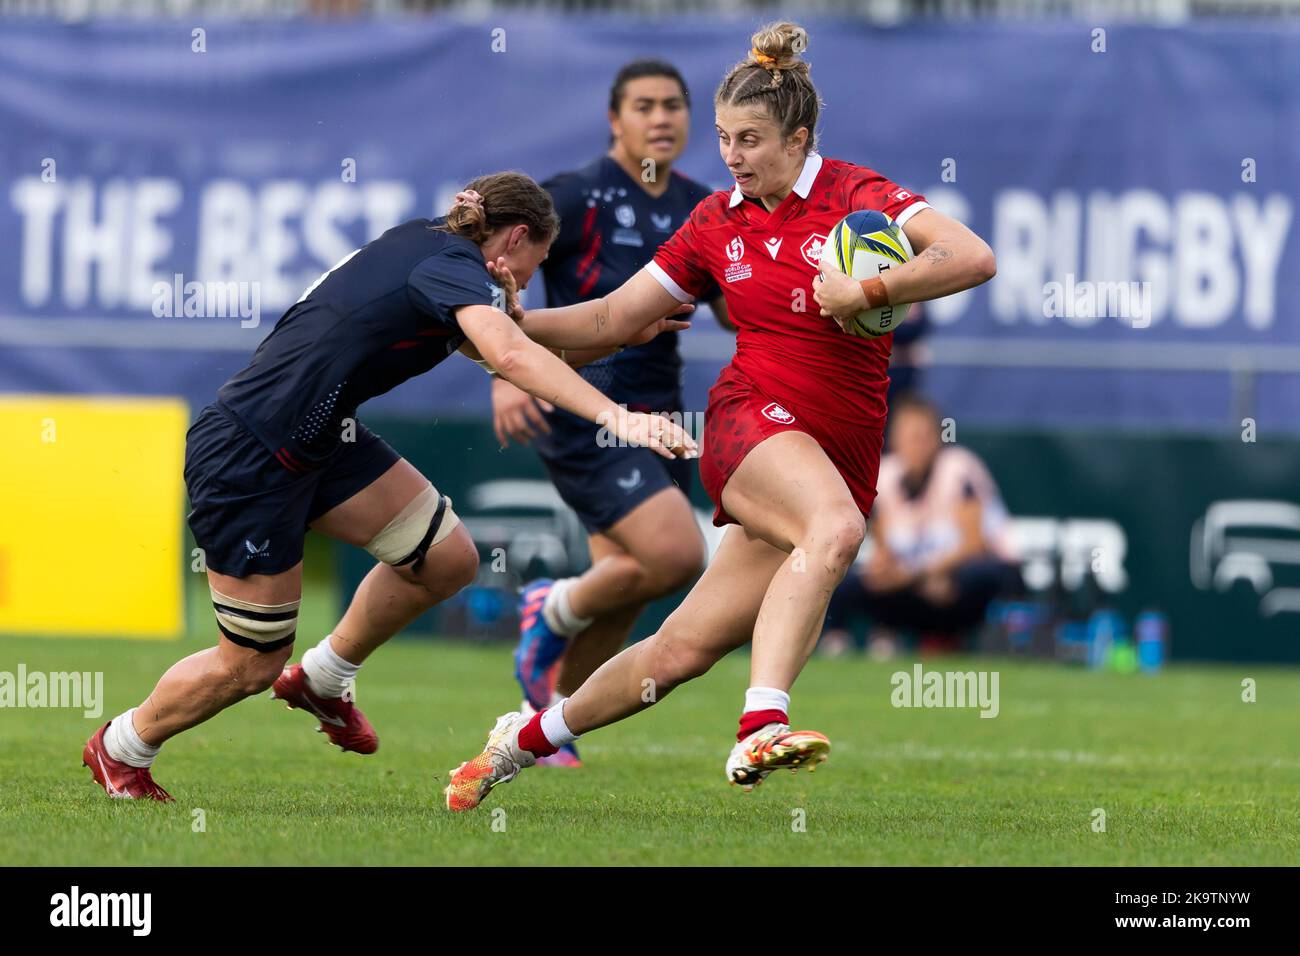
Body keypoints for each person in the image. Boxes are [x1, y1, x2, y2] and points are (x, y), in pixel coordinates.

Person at [444, 21, 996, 812]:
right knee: (835, 530)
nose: (731, 156)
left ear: (799, 137)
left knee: (678, 653)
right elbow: (610, 320)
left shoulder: (853, 195)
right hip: (749, 424)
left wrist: (871, 289)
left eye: (751, 139)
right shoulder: (715, 223)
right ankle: (761, 721)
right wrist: (506, 332)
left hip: (838, 447)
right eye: (725, 138)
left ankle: (520, 740)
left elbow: (973, 256)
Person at [80, 173, 695, 801]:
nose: (527, 280)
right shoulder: (448, 266)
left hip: (318, 440)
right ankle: (121, 746)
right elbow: (511, 354)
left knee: (447, 559)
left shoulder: (435, 254)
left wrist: (622, 333)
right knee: (249, 663)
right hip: (250, 452)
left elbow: (522, 333)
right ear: (513, 238)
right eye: (535, 263)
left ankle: (323, 678)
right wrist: (617, 416)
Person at [492, 59, 732, 767]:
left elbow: (732, 303)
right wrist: (505, 375)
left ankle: (547, 721)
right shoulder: (576, 195)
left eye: (673, 106)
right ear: (614, 119)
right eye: (644, 106)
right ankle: (551, 608)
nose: (661, 118)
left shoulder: (703, 204)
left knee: (630, 587)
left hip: (663, 412)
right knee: (675, 556)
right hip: (584, 405)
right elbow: (492, 271)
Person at [819, 393, 1022, 658]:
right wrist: (891, 570)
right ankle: (848, 641)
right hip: (916, 583)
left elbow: (975, 546)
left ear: (938, 439)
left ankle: (921, 634)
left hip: (960, 580)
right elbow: (884, 548)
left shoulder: (958, 468)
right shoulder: (886, 475)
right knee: (844, 579)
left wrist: (919, 574)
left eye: (924, 436)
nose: (917, 445)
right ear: (895, 439)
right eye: (909, 436)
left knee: (977, 576)